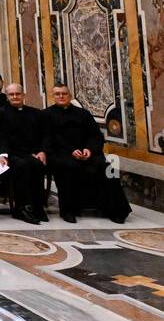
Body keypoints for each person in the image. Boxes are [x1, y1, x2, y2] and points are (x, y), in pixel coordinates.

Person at [43, 84, 131, 223]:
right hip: (61, 154)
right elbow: (49, 139)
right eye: (57, 94)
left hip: (87, 153)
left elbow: (95, 135)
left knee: (107, 169)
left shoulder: (83, 114)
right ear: (53, 96)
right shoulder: (46, 115)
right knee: (69, 167)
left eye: (64, 93)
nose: (61, 96)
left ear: (70, 96)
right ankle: (68, 210)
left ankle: (115, 210)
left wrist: (89, 149)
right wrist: (71, 151)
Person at [0, 84, 48, 224]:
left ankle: (38, 206)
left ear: (23, 95)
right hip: (11, 154)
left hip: (32, 153)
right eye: (11, 94)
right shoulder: (0, 113)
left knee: (37, 165)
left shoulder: (36, 113)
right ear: (7, 96)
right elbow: (1, 137)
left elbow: (44, 135)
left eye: (17, 94)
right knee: (22, 166)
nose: (15, 97)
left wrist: (42, 151)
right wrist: (3, 154)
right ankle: (22, 208)